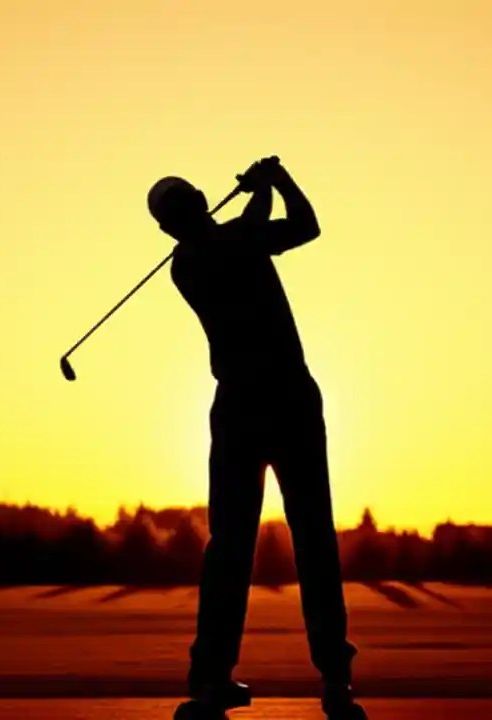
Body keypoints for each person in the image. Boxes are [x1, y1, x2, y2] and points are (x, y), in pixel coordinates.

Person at [147, 157, 366, 720]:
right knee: (291, 538)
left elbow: (290, 226)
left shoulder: (195, 256)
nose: (194, 205)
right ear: (182, 217)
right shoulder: (200, 257)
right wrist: (273, 180)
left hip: (253, 403)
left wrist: (271, 186)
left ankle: (217, 675)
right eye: (185, 204)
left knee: (248, 542)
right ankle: (324, 678)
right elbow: (286, 223)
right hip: (278, 400)